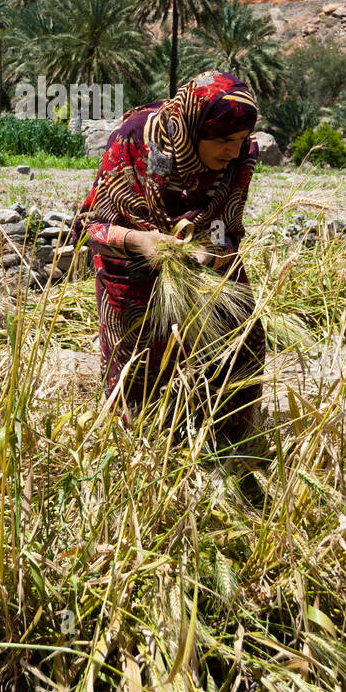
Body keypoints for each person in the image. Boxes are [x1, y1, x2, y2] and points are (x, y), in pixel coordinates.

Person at [73, 71, 265, 448]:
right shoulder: (131, 142)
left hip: (205, 266)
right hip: (131, 266)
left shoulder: (238, 158)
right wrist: (141, 240)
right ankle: (148, 457)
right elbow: (89, 227)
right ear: (190, 131)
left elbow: (226, 227)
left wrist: (210, 249)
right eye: (223, 140)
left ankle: (225, 448)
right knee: (142, 369)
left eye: (240, 141)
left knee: (243, 342)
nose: (232, 150)